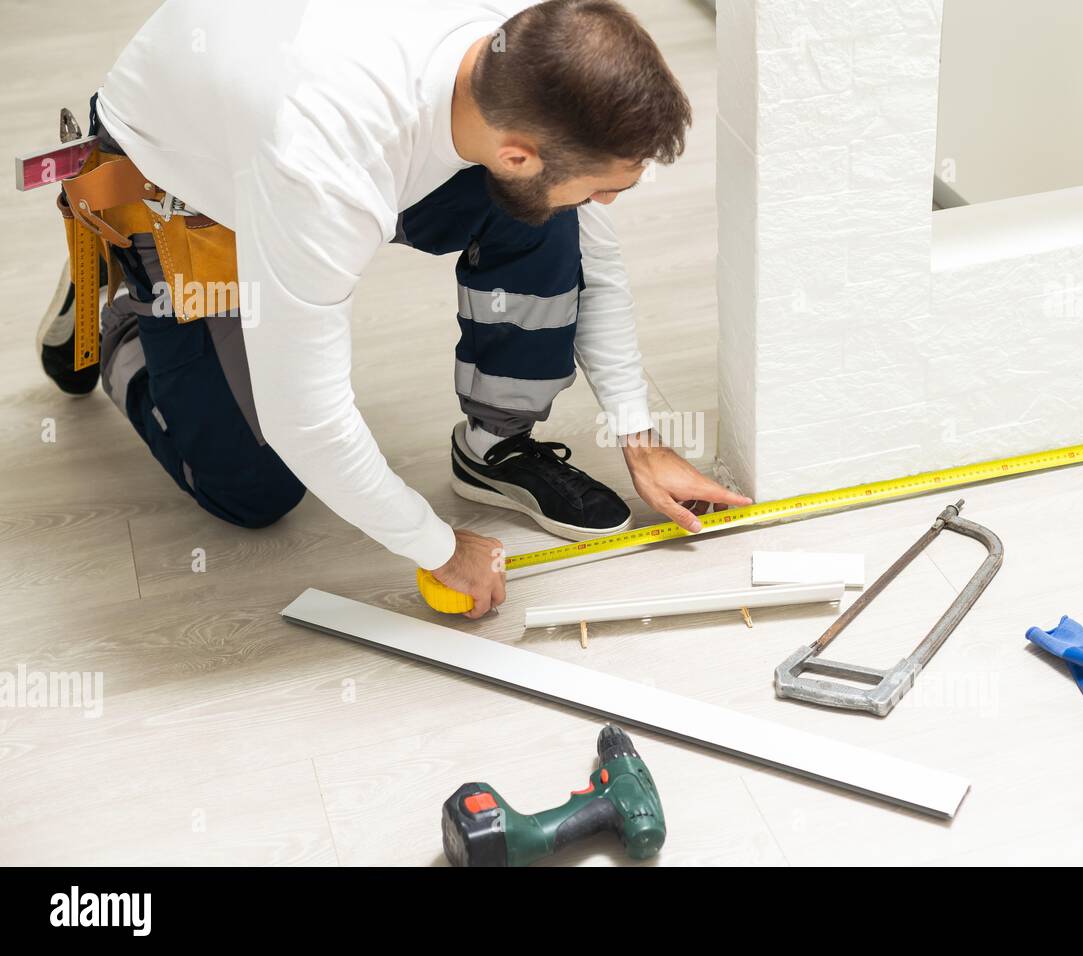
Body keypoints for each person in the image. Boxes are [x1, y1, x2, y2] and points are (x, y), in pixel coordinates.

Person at [38, 0, 749, 618]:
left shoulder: (531, 48)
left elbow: (595, 258)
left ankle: (495, 444)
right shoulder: (322, 167)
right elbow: (307, 422)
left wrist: (639, 434)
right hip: (186, 176)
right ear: (517, 153)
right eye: (604, 188)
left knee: (545, 214)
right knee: (253, 491)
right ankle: (124, 301)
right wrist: (436, 547)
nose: (608, 205)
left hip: (291, 124)